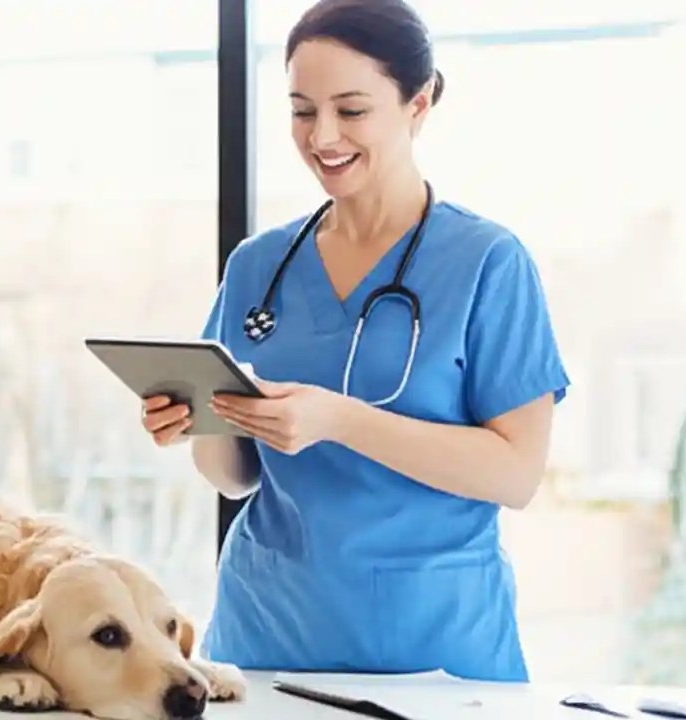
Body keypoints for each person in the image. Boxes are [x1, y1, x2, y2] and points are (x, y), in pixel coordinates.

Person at [141, 0, 569, 683]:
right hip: (267, 632)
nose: (323, 136)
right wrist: (198, 422)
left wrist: (338, 420)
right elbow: (234, 476)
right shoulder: (260, 263)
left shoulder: (488, 262)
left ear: (418, 103)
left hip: (434, 645)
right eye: (302, 110)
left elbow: (515, 474)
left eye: (351, 109)